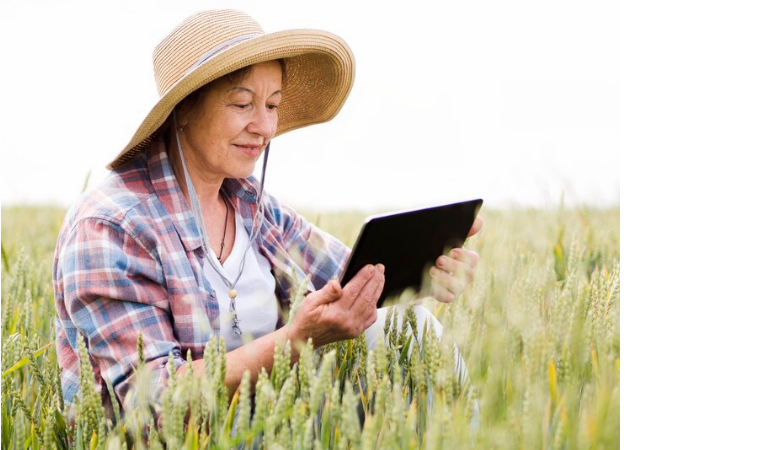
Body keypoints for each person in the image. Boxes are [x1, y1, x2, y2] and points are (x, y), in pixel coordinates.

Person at [53, 9, 482, 418]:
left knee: (414, 326)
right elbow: (151, 404)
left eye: (273, 105)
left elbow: (347, 280)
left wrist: (428, 264)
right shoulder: (111, 226)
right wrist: (294, 342)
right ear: (183, 109)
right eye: (243, 104)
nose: (265, 127)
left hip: (276, 423)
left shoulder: (251, 205)